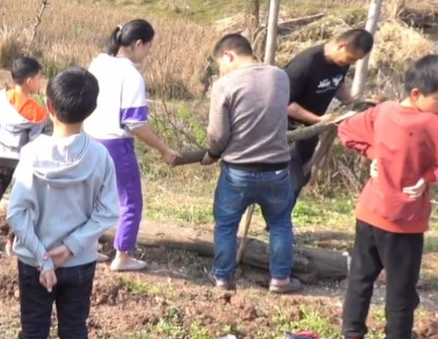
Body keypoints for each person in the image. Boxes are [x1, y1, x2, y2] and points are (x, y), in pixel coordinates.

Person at [337, 55, 438, 339]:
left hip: (370, 211)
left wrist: (372, 152)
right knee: (401, 286)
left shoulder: (384, 110)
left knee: (360, 277)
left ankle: (352, 338)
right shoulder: (432, 124)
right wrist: (430, 176)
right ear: (416, 94)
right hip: (404, 220)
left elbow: (346, 129)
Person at [6, 67, 119, 339]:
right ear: (92, 109)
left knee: (34, 332)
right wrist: (70, 248)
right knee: (74, 333)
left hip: (34, 263)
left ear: (48, 106)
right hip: (80, 264)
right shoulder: (100, 157)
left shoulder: (33, 153)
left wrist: (42, 256)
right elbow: (108, 211)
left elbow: (16, 213)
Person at [202, 34, 302, 294]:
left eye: (220, 63)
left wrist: (213, 153)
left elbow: (217, 133)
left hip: (238, 171)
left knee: (226, 226)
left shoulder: (225, 85)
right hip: (277, 169)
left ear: (229, 55)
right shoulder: (280, 76)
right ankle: (280, 279)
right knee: (281, 224)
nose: (221, 70)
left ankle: (223, 278)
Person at [85, 19, 179, 273]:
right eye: (148, 47)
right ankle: (123, 255)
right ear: (138, 44)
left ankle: (86, 246)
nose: (148, 53)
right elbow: (136, 124)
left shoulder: (99, 63)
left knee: (93, 196)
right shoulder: (131, 76)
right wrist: (164, 149)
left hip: (90, 138)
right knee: (130, 201)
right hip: (116, 144)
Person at [284, 28, 374, 202]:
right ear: (341, 46)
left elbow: (337, 83)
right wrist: (318, 119)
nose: (351, 63)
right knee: (291, 180)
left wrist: (351, 102)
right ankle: (276, 226)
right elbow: (285, 103)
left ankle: (276, 224)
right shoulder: (305, 64)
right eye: (351, 58)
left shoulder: (341, 62)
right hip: (288, 130)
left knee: (302, 176)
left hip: (312, 129)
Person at [0, 56, 47, 248]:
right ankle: (13, 241)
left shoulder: (0, 97)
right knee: (20, 202)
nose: (41, 81)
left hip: (0, 157)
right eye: (39, 77)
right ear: (29, 81)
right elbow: (34, 145)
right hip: (21, 163)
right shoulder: (37, 112)